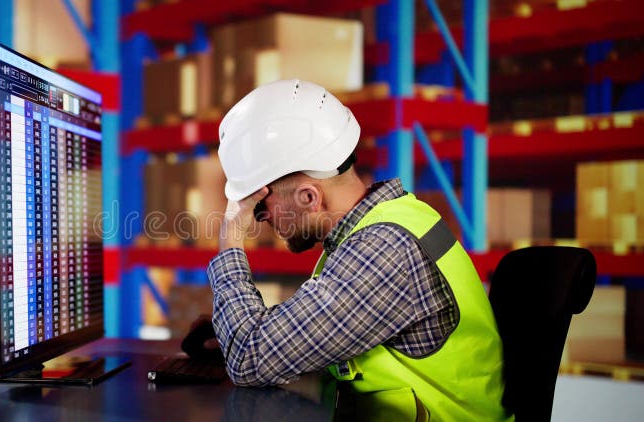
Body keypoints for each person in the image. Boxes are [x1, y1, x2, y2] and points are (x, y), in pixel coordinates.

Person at [196, 79, 512, 420]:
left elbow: (249, 359)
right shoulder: (381, 228)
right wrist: (236, 329)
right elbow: (310, 340)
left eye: (260, 204)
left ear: (308, 197)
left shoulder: (383, 252)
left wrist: (230, 239)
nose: (258, 218)